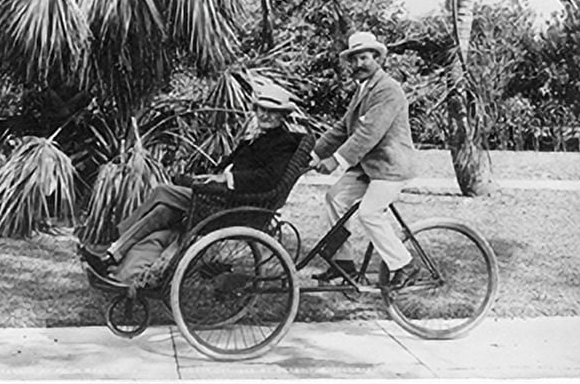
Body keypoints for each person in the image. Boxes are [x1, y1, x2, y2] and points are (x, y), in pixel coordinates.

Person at [80, 84, 301, 282]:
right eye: (262, 109)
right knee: (163, 211)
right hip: (217, 194)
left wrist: (226, 178)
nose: (265, 115)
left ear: (283, 116)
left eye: (272, 111)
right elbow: (226, 166)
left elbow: (268, 178)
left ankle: (114, 237)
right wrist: (207, 177)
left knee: (162, 191)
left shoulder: (282, 143)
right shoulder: (257, 138)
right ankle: (112, 257)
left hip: (232, 202)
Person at [310, 30, 419, 288]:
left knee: (369, 213)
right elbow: (342, 128)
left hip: (390, 167)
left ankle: (405, 265)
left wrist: (336, 160)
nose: (358, 64)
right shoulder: (363, 90)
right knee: (335, 197)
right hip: (370, 167)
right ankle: (343, 263)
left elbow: (368, 133)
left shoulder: (388, 90)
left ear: (377, 58)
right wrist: (314, 153)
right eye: (354, 59)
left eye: (364, 58)